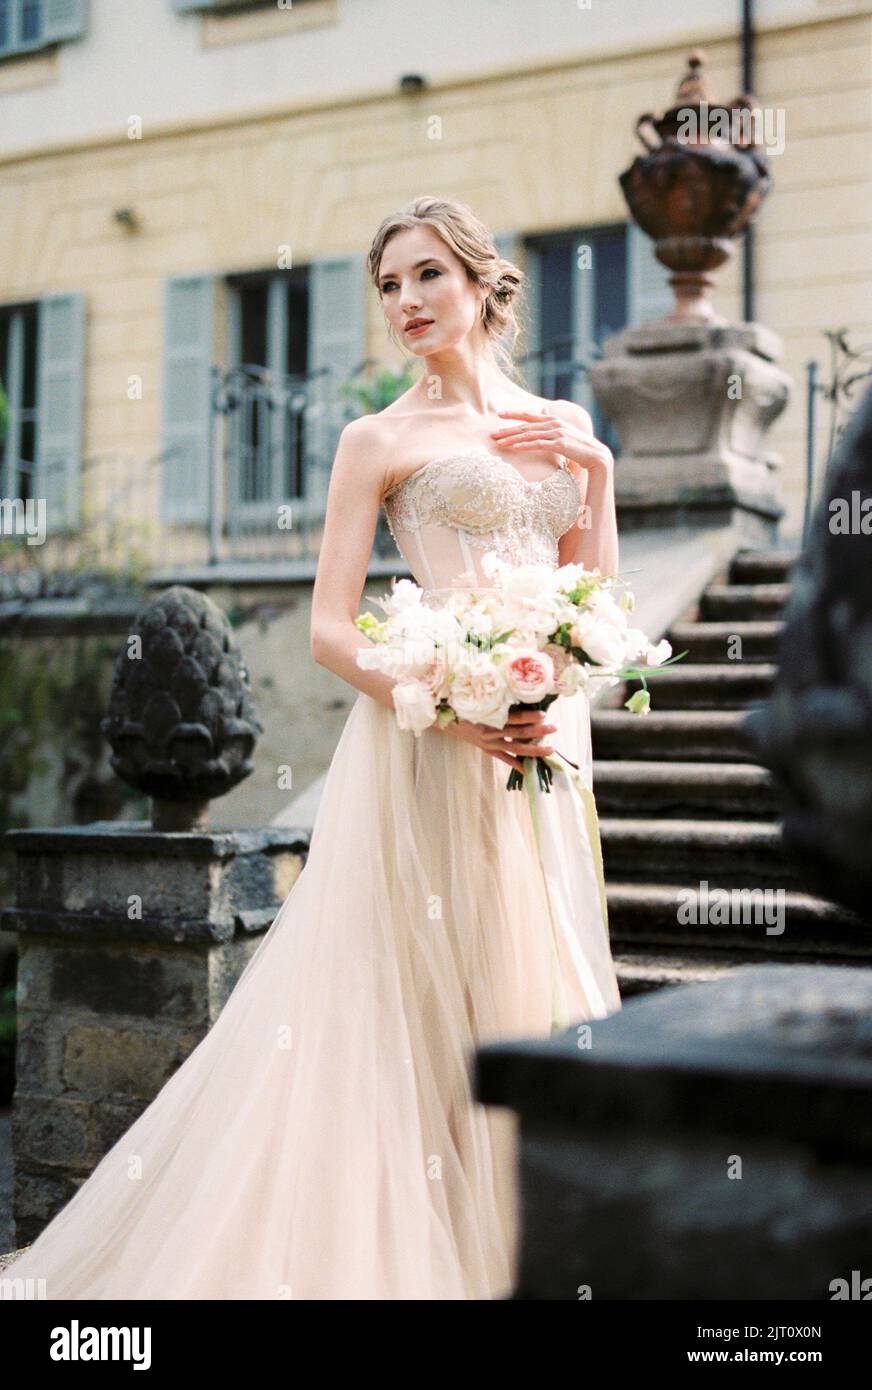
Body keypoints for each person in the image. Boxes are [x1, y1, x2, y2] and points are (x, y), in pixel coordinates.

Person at [4, 195, 622, 1300]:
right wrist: (445, 692)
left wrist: (598, 474)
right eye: (387, 286)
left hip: (538, 744)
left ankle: (523, 1248)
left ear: (480, 282)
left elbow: (596, 602)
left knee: (527, 983)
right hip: (427, 743)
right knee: (398, 997)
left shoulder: (558, 424)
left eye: (426, 275)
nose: (405, 302)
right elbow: (330, 629)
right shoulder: (375, 438)